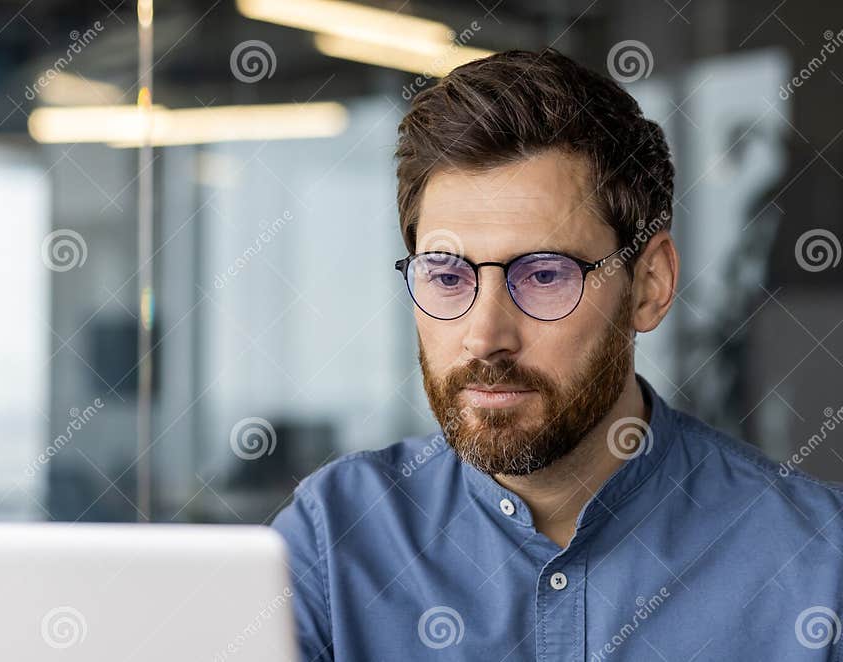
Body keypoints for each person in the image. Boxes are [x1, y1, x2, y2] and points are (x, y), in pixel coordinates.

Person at [272, 48, 843, 661]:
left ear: (649, 286)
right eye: (446, 276)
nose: (485, 335)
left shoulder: (819, 565)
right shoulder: (333, 540)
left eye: (545, 276)